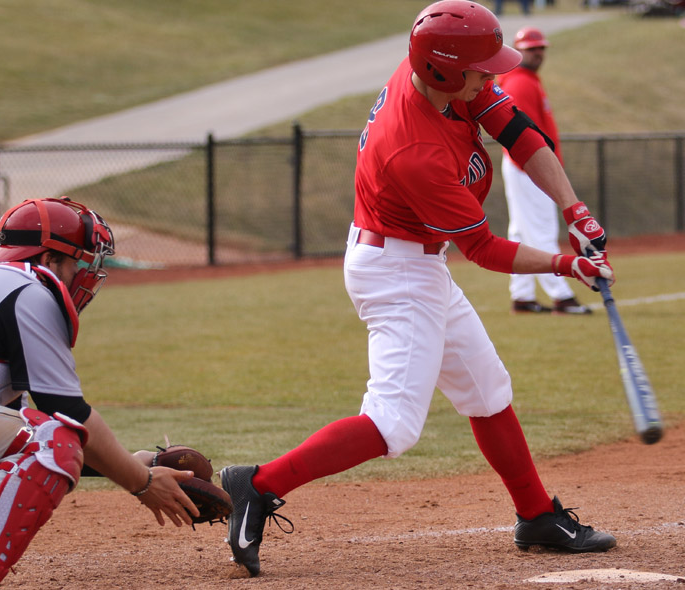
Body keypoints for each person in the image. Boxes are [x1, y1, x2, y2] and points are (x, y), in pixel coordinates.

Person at [219, 1, 616, 578]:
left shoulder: (446, 81)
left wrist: (575, 210)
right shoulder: (415, 149)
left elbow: (520, 136)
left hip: (416, 263)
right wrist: (566, 265)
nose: (492, 76)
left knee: (487, 388)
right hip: (395, 272)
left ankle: (536, 515)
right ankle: (255, 486)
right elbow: (482, 249)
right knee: (393, 425)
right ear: (443, 70)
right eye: (482, 68)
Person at [0, 197, 200, 590]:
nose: (86, 275)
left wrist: (135, 463)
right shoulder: (28, 285)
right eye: (80, 263)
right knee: (52, 439)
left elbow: (18, 442)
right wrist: (143, 482)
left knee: (41, 438)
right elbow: (65, 419)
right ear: (49, 259)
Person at [498, 27, 590, 315]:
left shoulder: (526, 80)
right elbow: (521, 134)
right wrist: (532, 168)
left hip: (526, 167)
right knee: (541, 230)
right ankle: (560, 295)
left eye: (541, 48)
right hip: (527, 168)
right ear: (517, 51)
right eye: (531, 48)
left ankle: (522, 296)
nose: (538, 53)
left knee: (522, 233)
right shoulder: (520, 83)